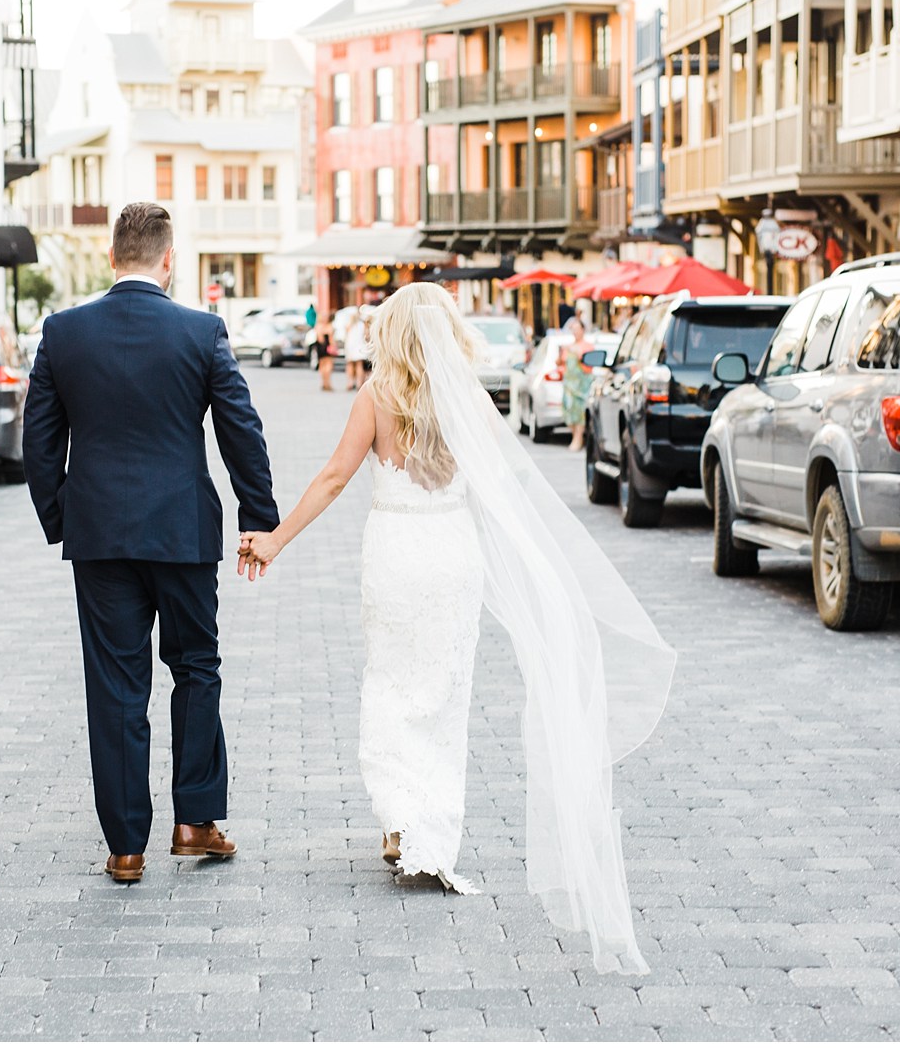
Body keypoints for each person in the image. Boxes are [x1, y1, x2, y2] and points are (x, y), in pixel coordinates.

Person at [236, 282, 675, 975]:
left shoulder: (375, 397)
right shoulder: (471, 401)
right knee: (444, 693)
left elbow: (333, 478)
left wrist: (275, 540)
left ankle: (398, 822)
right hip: (452, 554)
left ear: (391, 334)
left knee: (391, 680)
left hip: (395, 550)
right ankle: (427, 829)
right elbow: (503, 492)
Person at [22, 201, 279, 886]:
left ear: (112, 257)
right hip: (183, 532)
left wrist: (62, 518)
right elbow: (241, 429)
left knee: (115, 685)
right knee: (195, 667)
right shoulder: (201, 331)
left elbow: (38, 441)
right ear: (170, 260)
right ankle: (195, 820)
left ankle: (126, 846)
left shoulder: (63, 332)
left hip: (100, 536)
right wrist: (258, 516)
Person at [559, 313, 596, 454]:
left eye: (577, 329)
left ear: (583, 330)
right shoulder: (569, 346)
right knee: (569, 412)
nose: (574, 332)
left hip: (581, 385)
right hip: (569, 385)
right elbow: (561, 363)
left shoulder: (588, 346)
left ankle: (578, 438)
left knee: (579, 413)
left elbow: (589, 366)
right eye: (573, 329)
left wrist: (577, 352)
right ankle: (575, 436)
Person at [342, 306, 371, 391]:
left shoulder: (348, 324)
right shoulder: (362, 324)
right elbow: (367, 335)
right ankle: (359, 383)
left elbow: (345, 335)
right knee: (359, 365)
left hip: (350, 346)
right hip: (359, 346)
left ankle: (350, 382)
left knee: (350, 364)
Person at [313, 318, 336, 392]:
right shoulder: (329, 326)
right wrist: (334, 346)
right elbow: (331, 339)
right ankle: (328, 383)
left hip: (320, 347)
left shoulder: (318, 326)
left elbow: (319, 339)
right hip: (327, 347)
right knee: (329, 365)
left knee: (322, 365)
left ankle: (323, 383)